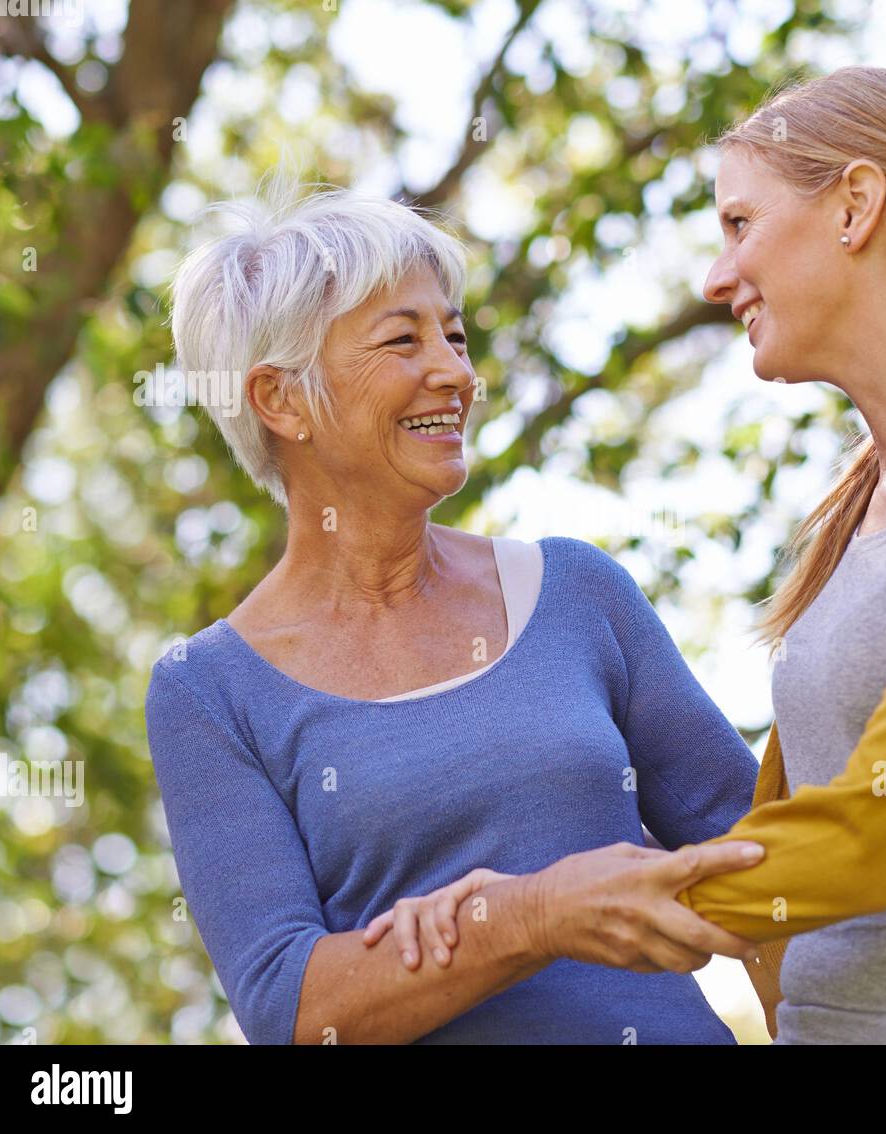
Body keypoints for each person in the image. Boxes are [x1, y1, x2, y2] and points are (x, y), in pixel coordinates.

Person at [394, 65, 886, 1046]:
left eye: (738, 226)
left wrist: (548, 909)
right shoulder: (857, 510)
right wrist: (521, 872)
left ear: (855, 205)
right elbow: (785, 828)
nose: (715, 280)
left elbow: (877, 825)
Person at [145, 181, 768, 1045]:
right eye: (403, 340)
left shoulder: (579, 592)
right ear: (280, 400)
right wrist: (528, 916)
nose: (458, 373)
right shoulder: (208, 691)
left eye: (456, 335)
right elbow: (291, 1009)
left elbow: (764, 862)